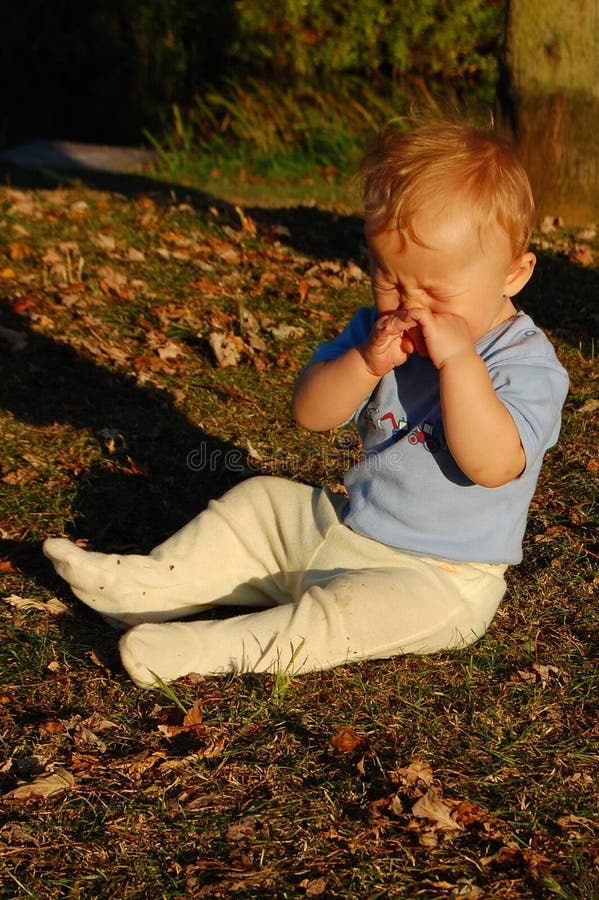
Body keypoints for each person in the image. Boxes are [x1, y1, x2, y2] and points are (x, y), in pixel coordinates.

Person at [43, 119, 569, 689]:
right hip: (348, 527)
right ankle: (148, 587)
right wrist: (366, 364)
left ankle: (207, 649)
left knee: (338, 617)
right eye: (388, 279)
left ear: (513, 274)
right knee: (259, 502)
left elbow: (492, 464)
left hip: (441, 580)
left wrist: (460, 363)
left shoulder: (525, 363)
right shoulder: (377, 330)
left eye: (437, 291)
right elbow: (312, 413)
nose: (410, 303)